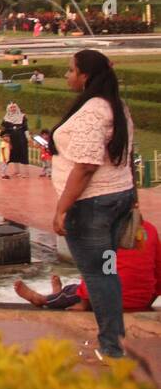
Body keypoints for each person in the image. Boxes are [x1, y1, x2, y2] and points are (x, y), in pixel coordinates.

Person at [49, 49, 137, 359]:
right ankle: (113, 336)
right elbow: (127, 158)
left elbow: (86, 166)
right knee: (107, 271)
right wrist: (134, 200)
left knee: (99, 275)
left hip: (92, 206)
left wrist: (61, 208)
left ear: (85, 75)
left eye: (70, 70)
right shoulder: (117, 106)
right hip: (117, 198)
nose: (67, 75)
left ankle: (111, 348)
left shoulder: (93, 111)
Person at [14, 220, 159, 312]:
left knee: (71, 292)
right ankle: (56, 293)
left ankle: (40, 298)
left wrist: (84, 302)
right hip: (141, 300)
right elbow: (159, 271)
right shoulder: (150, 230)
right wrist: (148, 301)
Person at [0, 101, 30, 179]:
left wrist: (28, 138)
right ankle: (17, 171)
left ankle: (26, 172)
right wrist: (4, 138)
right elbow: (4, 130)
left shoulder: (22, 117)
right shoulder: (6, 119)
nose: (13, 109)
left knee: (23, 154)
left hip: (21, 138)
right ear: (8, 109)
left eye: (14, 107)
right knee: (14, 154)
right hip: (12, 139)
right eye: (11, 107)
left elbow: (25, 129)